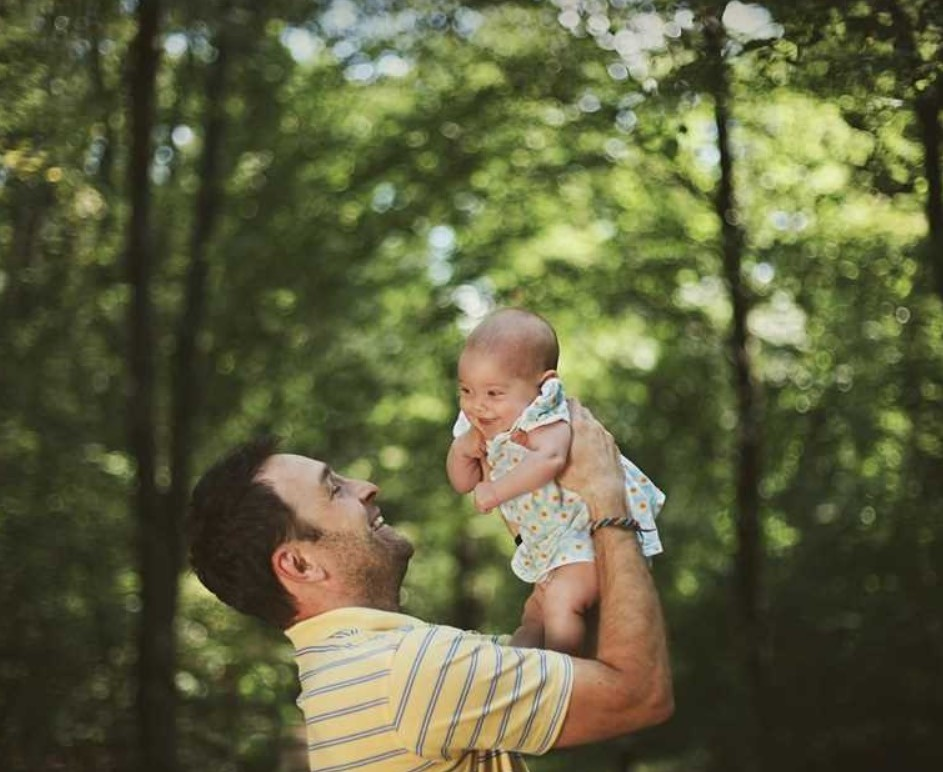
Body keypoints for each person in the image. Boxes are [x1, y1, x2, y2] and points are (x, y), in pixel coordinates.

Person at [187, 401, 672, 772]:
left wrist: (545, 534)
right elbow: (639, 693)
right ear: (299, 563)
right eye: (334, 488)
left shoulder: (360, 670)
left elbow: (567, 665)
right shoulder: (406, 672)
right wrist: (609, 502)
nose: (365, 486)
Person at [447, 308, 665, 655]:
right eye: (467, 391)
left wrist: (495, 491)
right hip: (552, 547)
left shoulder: (546, 417)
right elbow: (462, 483)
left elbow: (549, 460)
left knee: (561, 604)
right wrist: (461, 451)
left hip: (585, 537)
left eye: (493, 393)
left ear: (542, 385)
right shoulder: (481, 425)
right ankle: (516, 673)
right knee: (534, 617)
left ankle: (569, 673)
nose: (477, 406)